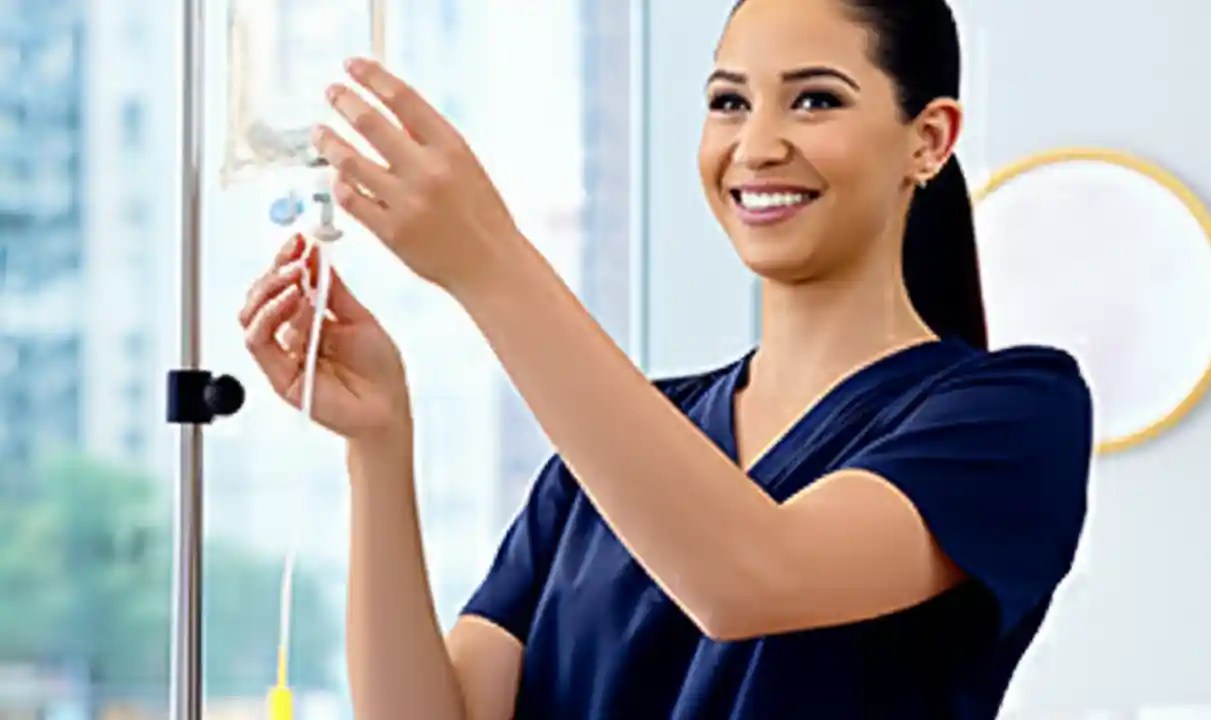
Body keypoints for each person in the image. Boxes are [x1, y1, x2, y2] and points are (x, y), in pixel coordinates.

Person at [238, 0, 1094, 717]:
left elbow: (749, 578)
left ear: (929, 139)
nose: (756, 146)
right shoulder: (600, 466)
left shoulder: (1012, 416)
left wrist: (489, 262)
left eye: (816, 102)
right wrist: (378, 445)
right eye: (728, 103)